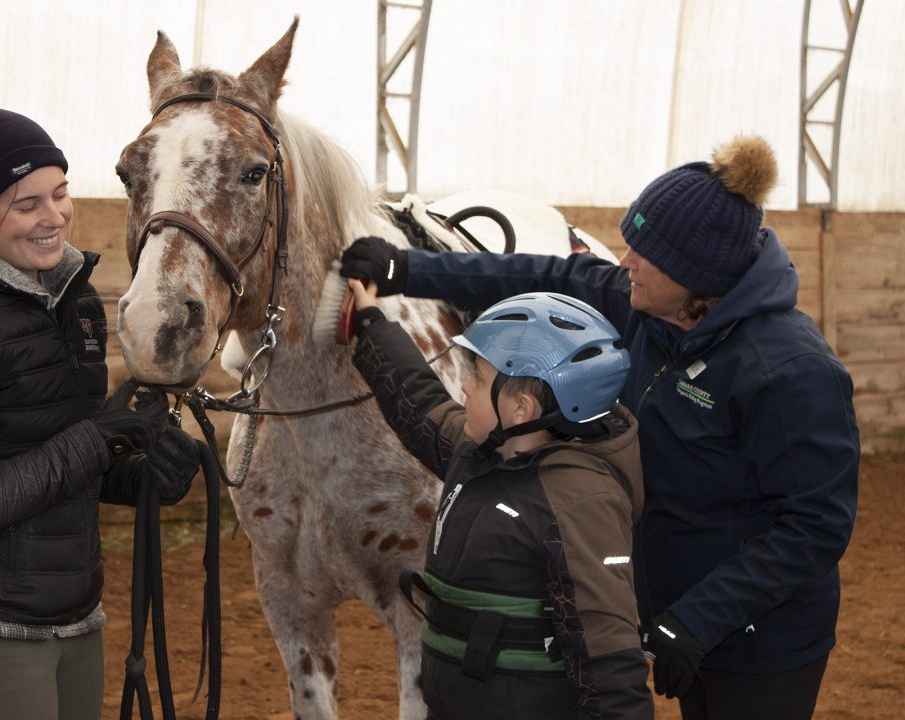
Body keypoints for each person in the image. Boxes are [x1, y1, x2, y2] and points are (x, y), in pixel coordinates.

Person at [340, 135, 860, 720]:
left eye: (646, 253)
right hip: (666, 605)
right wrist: (408, 267)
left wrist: (700, 618)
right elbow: (531, 274)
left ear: (696, 276)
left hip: (759, 642)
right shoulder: (643, 307)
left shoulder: (791, 371)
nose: (626, 261)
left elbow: (815, 525)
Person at [0, 98, 199, 720]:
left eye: (60, 193)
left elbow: (46, 461)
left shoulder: (72, 306)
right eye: (27, 205)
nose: (54, 217)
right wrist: (101, 437)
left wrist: (144, 470)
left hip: (72, 623)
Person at [347, 281, 653, 719]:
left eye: (478, 375)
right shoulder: (482, 455)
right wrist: (373, 323)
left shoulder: (578, 504)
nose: (465, 387)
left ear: (521, 410)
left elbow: (607, 658)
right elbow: (418, 402)